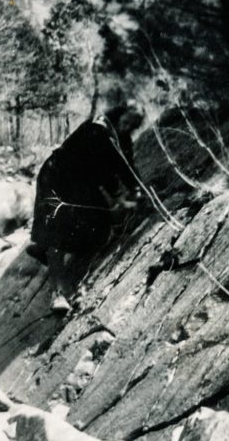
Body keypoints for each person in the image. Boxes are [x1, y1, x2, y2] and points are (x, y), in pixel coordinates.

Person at [27, 99, 144, 313]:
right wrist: (119, 196)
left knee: (100, 225)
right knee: (57, 232)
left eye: (136, 124)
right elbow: (109, 168)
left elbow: (128, 165)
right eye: (130, 121)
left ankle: (45, 251)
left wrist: (138, 191)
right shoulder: (95, 130)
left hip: (79, 183)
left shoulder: (121, 136)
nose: (132, 127)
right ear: (121, 114)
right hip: (56, 178)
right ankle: (58, 294)